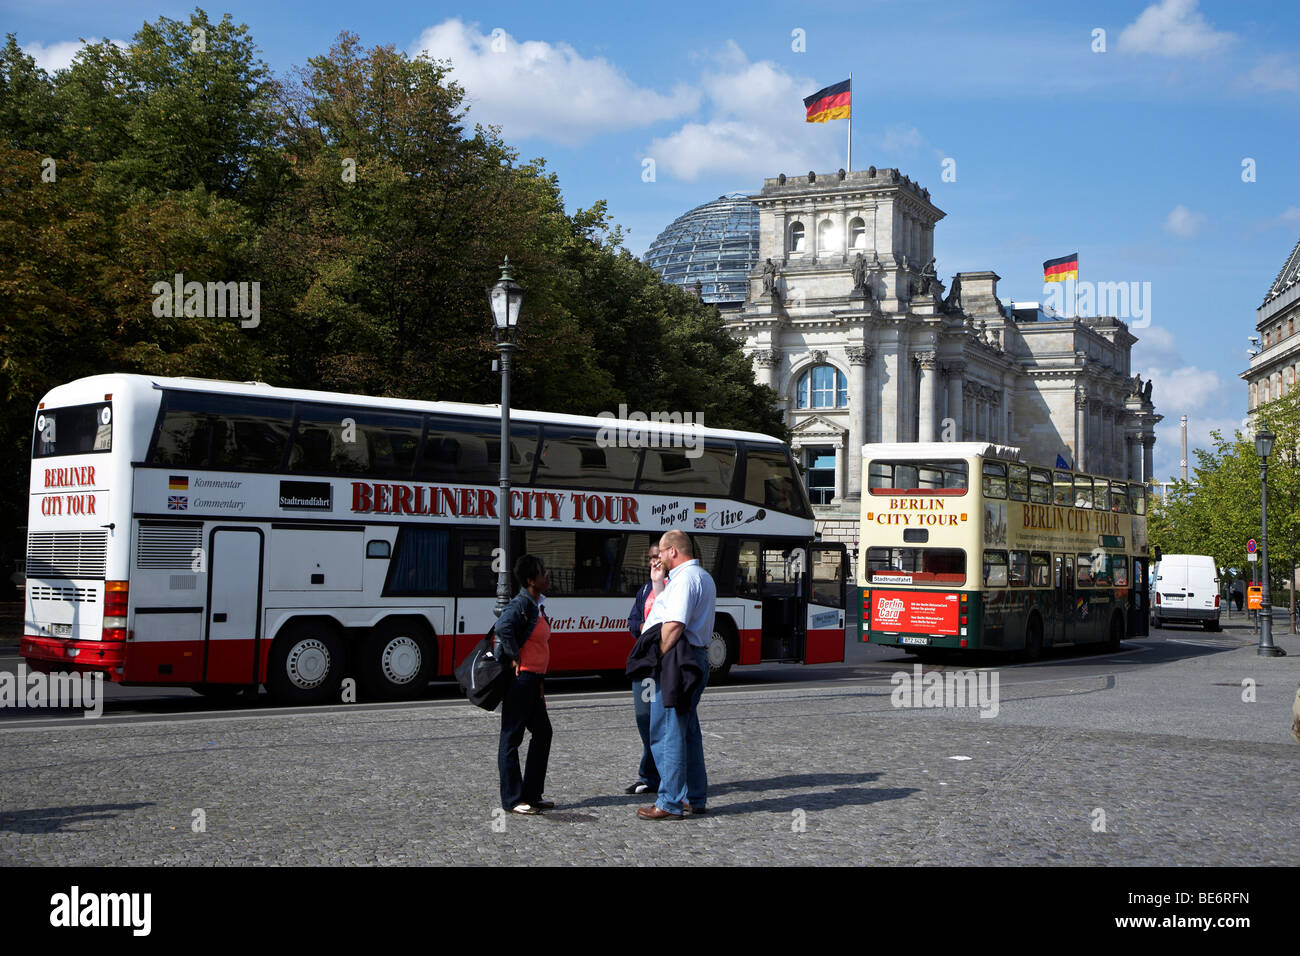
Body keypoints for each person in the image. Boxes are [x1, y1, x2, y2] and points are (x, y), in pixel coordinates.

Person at [638, 529, 716, 821]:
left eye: (661, 552)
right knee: (688, 731)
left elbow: (673, 624)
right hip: (693, 658)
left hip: (677, 662)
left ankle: (670, 801)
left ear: (674, 551)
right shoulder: (701, 577)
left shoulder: (684, 580)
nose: (658, 558)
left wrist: (655, 657)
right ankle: (695, 797)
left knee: (667, 730)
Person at [495, 554, 554, 815]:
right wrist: (515, 656)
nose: (548, 576)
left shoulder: (535, 604)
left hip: (533, 681)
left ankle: (532, 794)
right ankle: (513, 799)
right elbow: (502, 626)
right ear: (531, 580)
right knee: (511, 737)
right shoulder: (521, 604)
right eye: (543, 573)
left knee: (543, 733)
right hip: (521, 680)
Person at [625, 543, 667, 795]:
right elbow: (632, 621)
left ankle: (654, 776)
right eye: (651, 557)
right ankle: (651, 775)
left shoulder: (671, 587)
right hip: (643, 662)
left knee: (659, 722)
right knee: (644, 718)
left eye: (657, 557)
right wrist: (643, 628)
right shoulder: (644, 590)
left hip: (661, 664)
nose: (653, 562)